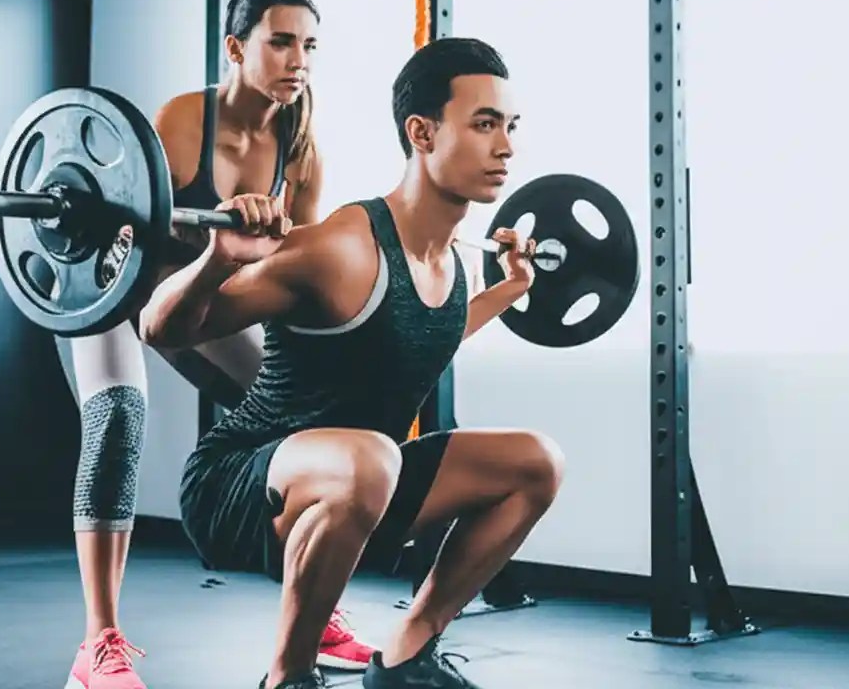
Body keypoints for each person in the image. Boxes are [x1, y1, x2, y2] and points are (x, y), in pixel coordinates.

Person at [139, 36, 566, 689]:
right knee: (373, 457)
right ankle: (289, 675)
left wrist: (507, 291)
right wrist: (220, 257)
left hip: (365, 481)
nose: (505, 146)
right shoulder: (342, 248)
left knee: (535, 462)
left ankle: (406, 656)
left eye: (510, 126)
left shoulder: (450, 262)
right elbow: (160, 326)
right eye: (484, 124)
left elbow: (424, 335)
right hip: (241, 484)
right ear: (421, 133)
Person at [54, 0, 376, 689]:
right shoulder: (183, 119)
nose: (300, 60)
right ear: (236, 48)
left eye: (310, 45)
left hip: (197, 297)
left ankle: (314, 615)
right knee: (117, 421)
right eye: (282, 42)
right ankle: (96, 644)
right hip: (114, 283)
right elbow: (136, 236)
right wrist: (219, 232)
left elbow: (294, 263)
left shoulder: (301, 146)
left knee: (299, 422)